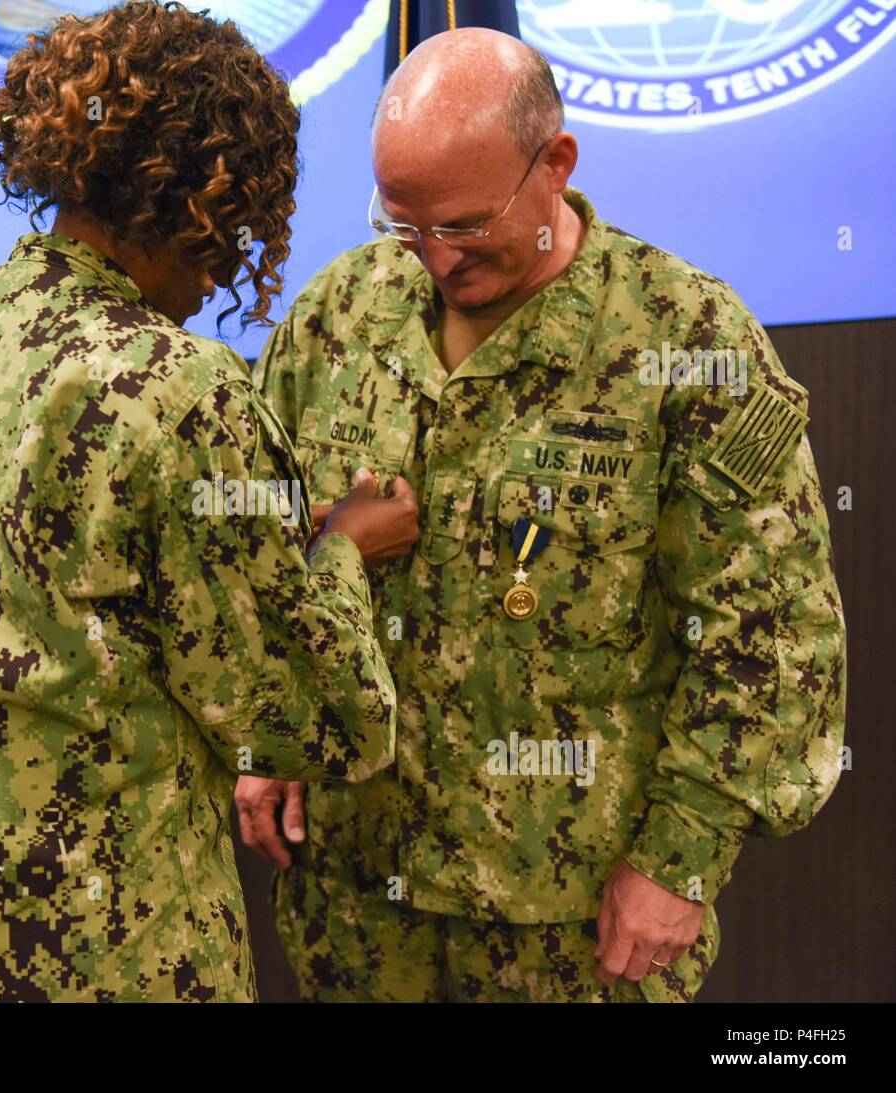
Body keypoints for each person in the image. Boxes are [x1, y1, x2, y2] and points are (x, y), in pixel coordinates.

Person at [238, 27, 846, 1002]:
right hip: (356, 913)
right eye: (405, 226)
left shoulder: (682, 340)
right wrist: (274, 734)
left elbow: (769, 638)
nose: (435, 258)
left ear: (555, 163)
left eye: (466, 225)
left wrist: (680, 861)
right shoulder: (336, 317)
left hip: (571, 925)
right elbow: (260, 554)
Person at [0, 0, 419, 1002]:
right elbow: (313, 719)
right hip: (101, 963)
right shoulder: (175, 388)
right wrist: (341, 554)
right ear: (211, 200)